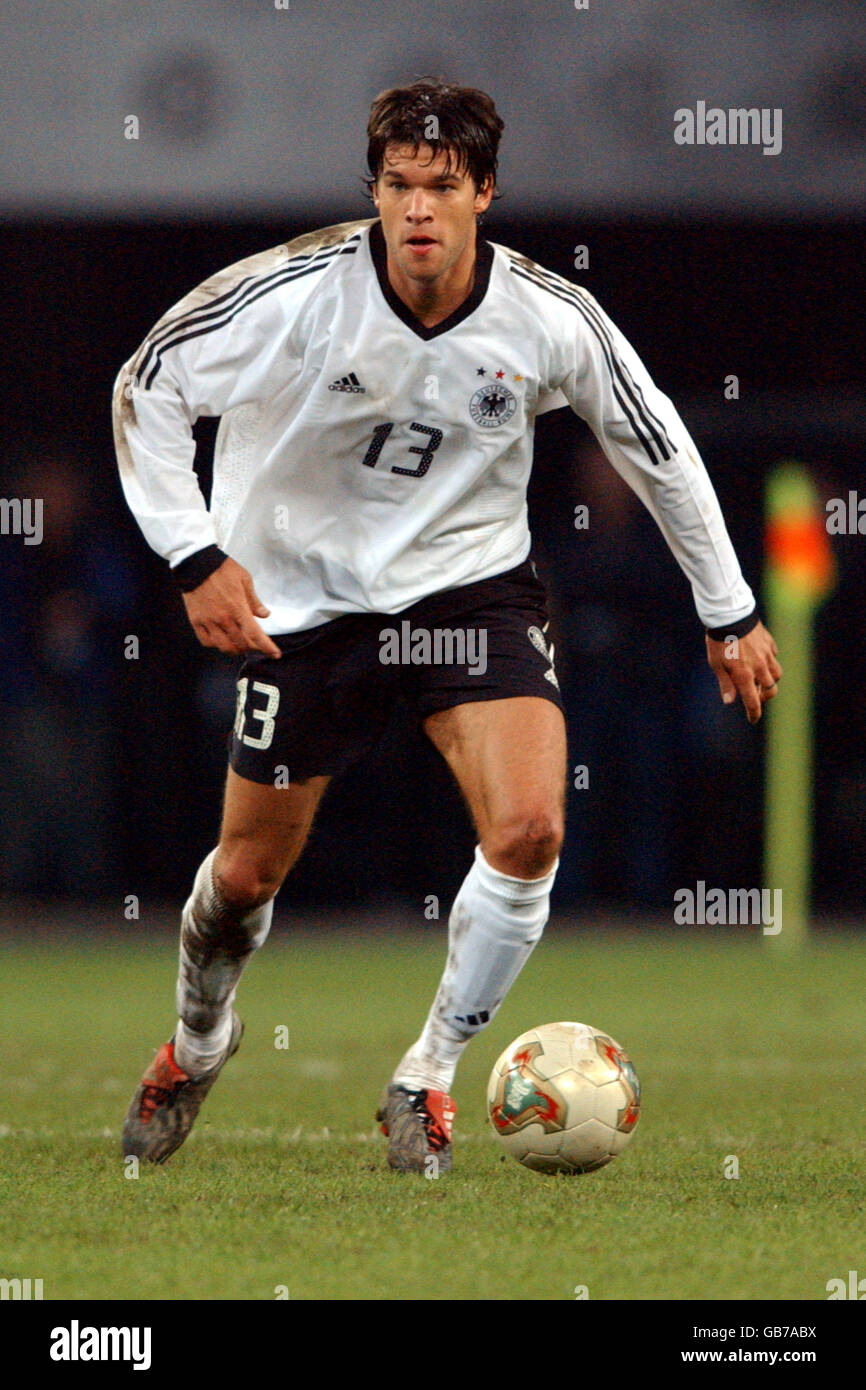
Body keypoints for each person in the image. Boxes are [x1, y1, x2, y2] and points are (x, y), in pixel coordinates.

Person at [112, 79, 782, 1172]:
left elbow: (653, 442)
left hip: (469, 591)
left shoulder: (545, 317)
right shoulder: (290, 296)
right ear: (373, 189)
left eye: (439, 186)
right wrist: (194, 554)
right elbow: (146, 386)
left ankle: (425, 1075)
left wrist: (729, 610)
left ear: (484, 192)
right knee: (242, 879)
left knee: (528, 830)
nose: (416, 208)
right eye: (396, 185)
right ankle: (197, 1039)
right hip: (306, 604)